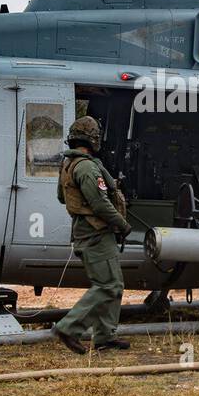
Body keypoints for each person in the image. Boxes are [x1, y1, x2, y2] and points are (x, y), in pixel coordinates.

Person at [52, 115, 133, 353]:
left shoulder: (69, 164)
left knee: (113, 284)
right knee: (108, 285)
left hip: (86, 231)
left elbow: (61, 197)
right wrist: (122, 224)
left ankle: (105, 336)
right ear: (93, 139)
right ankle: (69, 328)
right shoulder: (87, 167)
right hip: (95, 232)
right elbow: (100, 205)